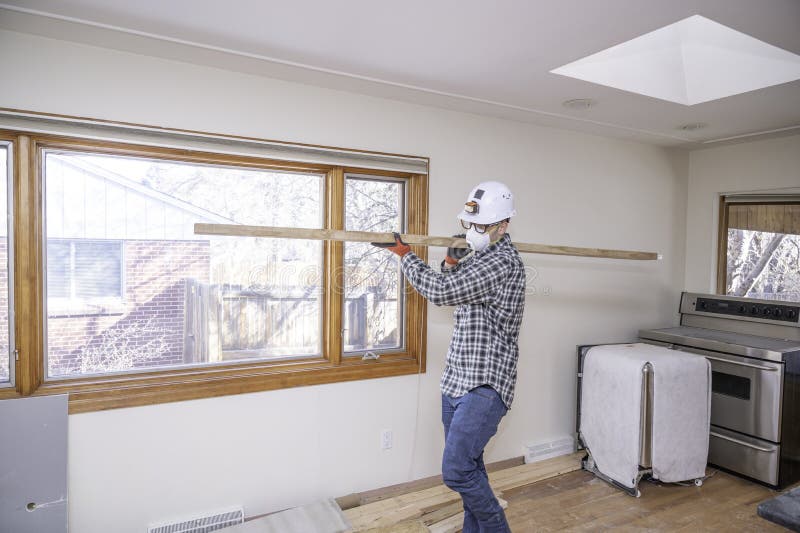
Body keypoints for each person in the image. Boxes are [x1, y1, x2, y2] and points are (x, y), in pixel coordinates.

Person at [373, 181, 526, 532]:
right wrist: (449, 263)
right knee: (470, 468)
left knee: (457, 470)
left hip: (484, 386)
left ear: (503, 226)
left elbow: (442, 293)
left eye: (481, 226)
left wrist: (405, 256)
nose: (472, 232)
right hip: (457, 379)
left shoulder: (500, 263)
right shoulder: (482, 258)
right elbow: (462, 293)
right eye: (469, 225)